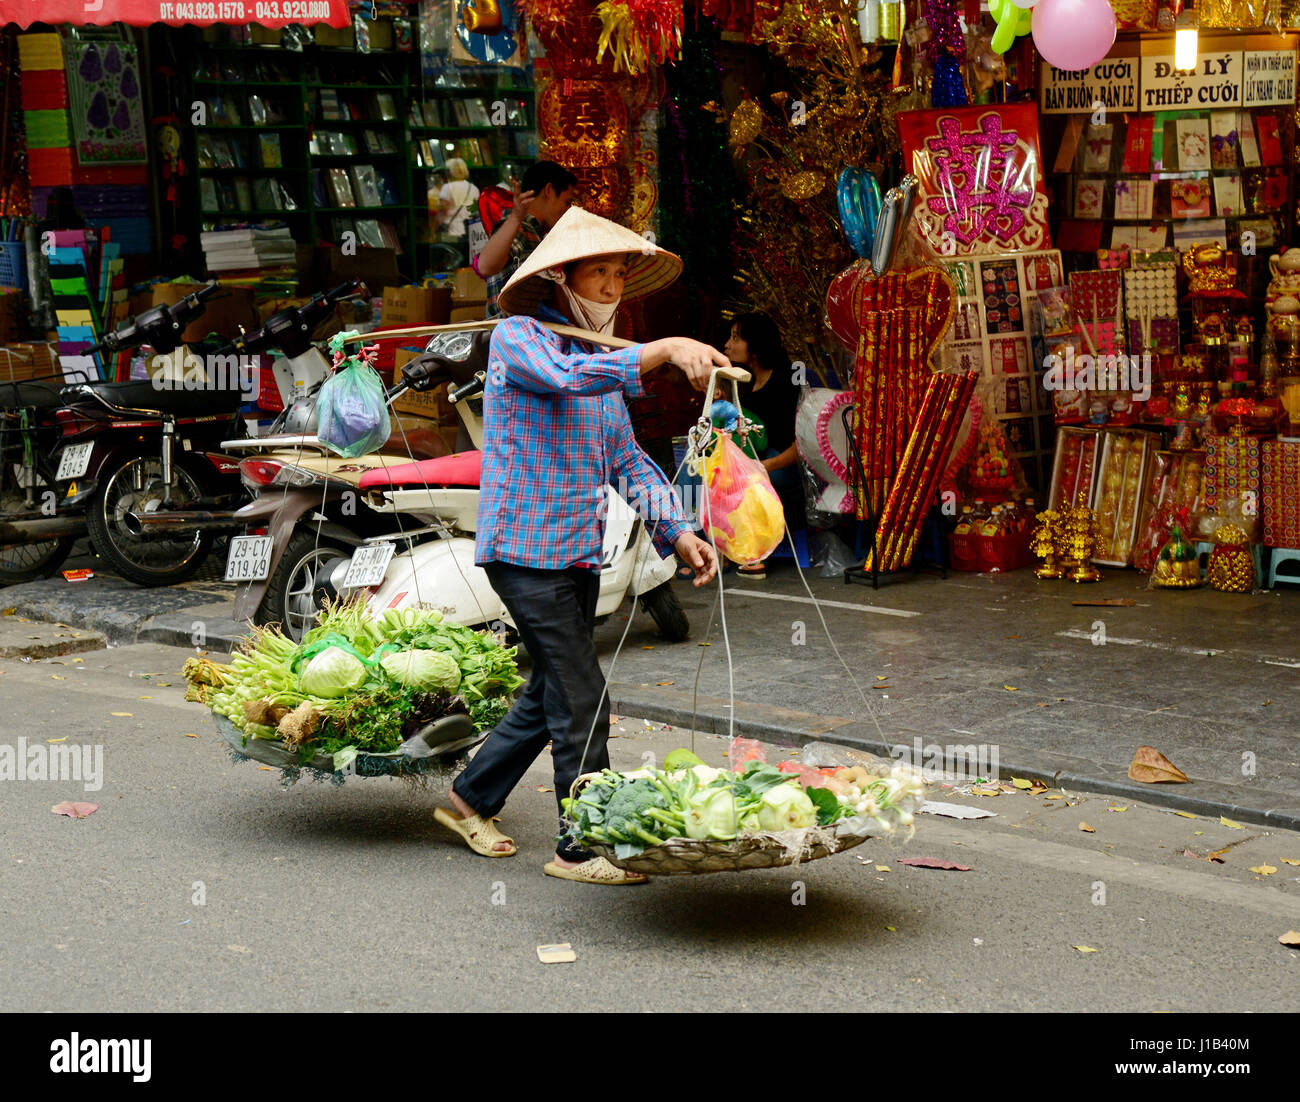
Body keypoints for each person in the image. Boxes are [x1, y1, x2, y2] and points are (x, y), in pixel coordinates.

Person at [433, 206, 726, 885]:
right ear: (563, 278)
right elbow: (566, 380)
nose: (611, 286)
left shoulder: (605, 362)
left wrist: (677, 530)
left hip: (576, 554)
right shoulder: (520, 338)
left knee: (551, 691)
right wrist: (659, 352)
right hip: (523, 555)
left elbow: (629, 463)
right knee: (584, 695)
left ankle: (468, 798)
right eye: (599, 272)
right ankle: (581, 845)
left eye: (620, 273)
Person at [722, 312, 805, 579]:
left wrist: (765, 466)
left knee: (749, 482)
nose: (727, 345)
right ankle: (717, 547)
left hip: (784, 464)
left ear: (755, 346)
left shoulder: (788, 380)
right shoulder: (740, 384)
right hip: (754, 460)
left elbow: (803, 442)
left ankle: (753, 554)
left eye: (736, 337)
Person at [474, 160, 578, 318]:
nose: (567, 210)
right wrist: (516, 217)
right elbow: (486, 266)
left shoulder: (538, 234)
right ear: (549, 190)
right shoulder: (521, 228)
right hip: (510, 335)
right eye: (566, 202)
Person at [435, 158, 480, 245]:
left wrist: (434, 229)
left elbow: (443, 210)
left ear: (450, 172)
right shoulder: (474, 188)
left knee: (452, 254)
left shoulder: (447, 187)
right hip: (470, 232)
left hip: (451, 232)